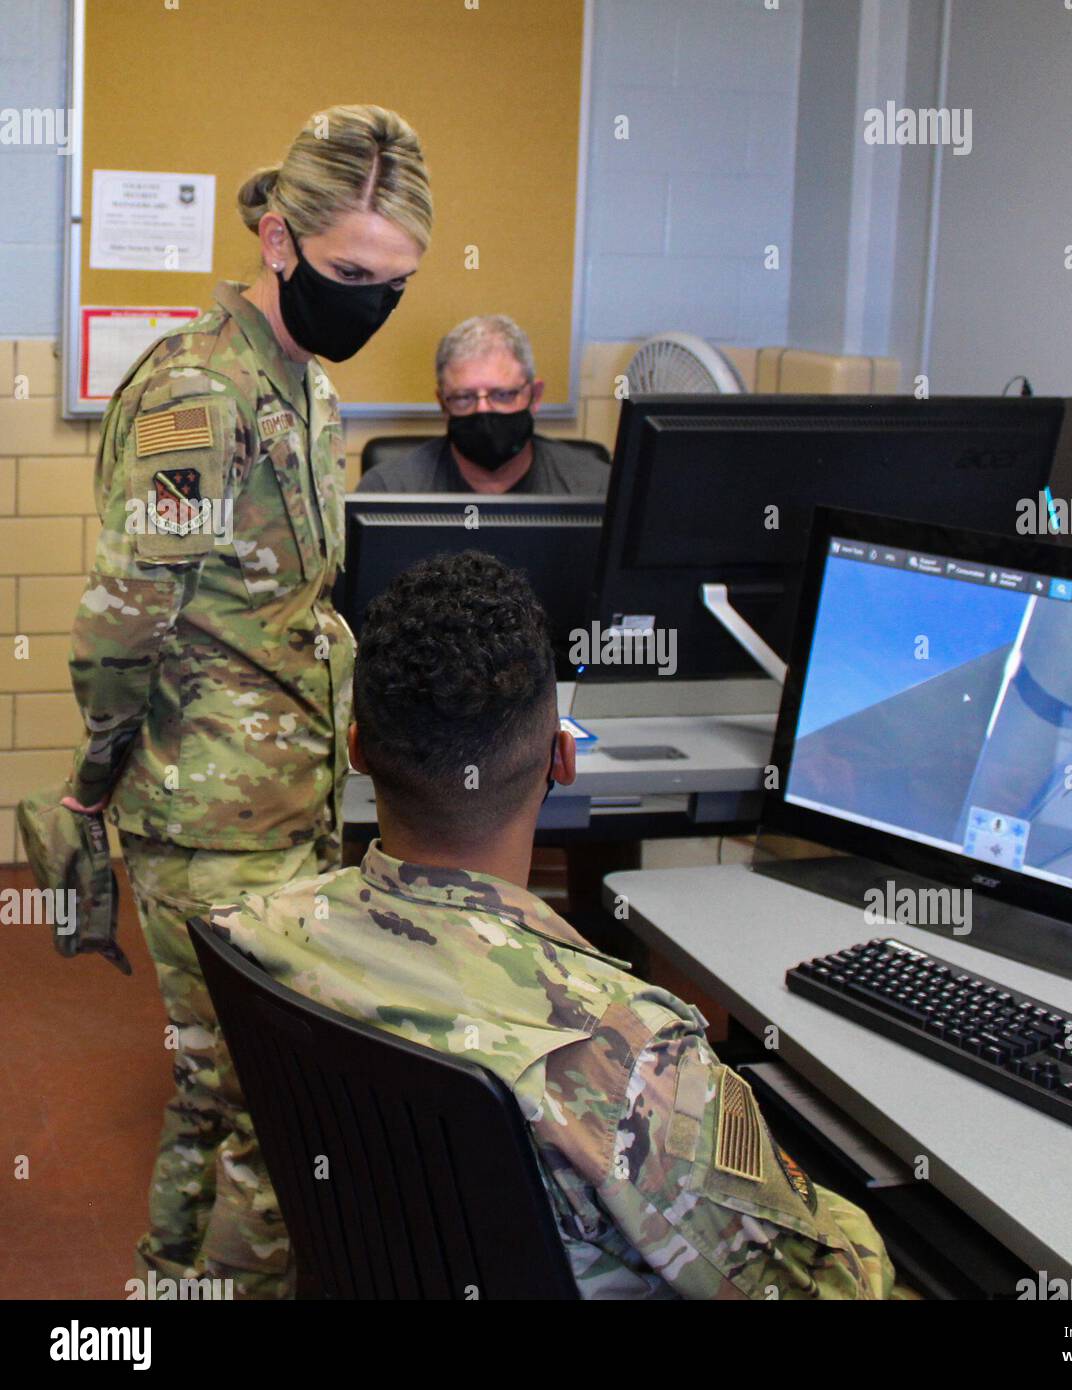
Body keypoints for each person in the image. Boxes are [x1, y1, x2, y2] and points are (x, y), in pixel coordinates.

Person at [207, 552, 915, 1299]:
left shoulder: (259, 934)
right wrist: (841, 1212)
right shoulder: (634, 1055)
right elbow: (821, 1289)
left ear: (354, 752)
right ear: (562, 757)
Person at [63, 105, 433, 1299]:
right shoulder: (200, 395)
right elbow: (125, 617)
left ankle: (170, 1291)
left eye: (396, 283)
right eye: (351, 275)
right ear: (279, 241)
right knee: (260, 1102)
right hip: (208, 812)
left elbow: (298, 601)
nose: (373, 304)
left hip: (287, 802)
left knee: (231, 1087)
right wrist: (99, 770)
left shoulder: (305, 388)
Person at [355, 314, 610, 495]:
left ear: (535, 396)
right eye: (464, 397)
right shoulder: (390, 490)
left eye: (502, 395)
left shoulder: (595, 488)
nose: (483, 411)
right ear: (443, 404)